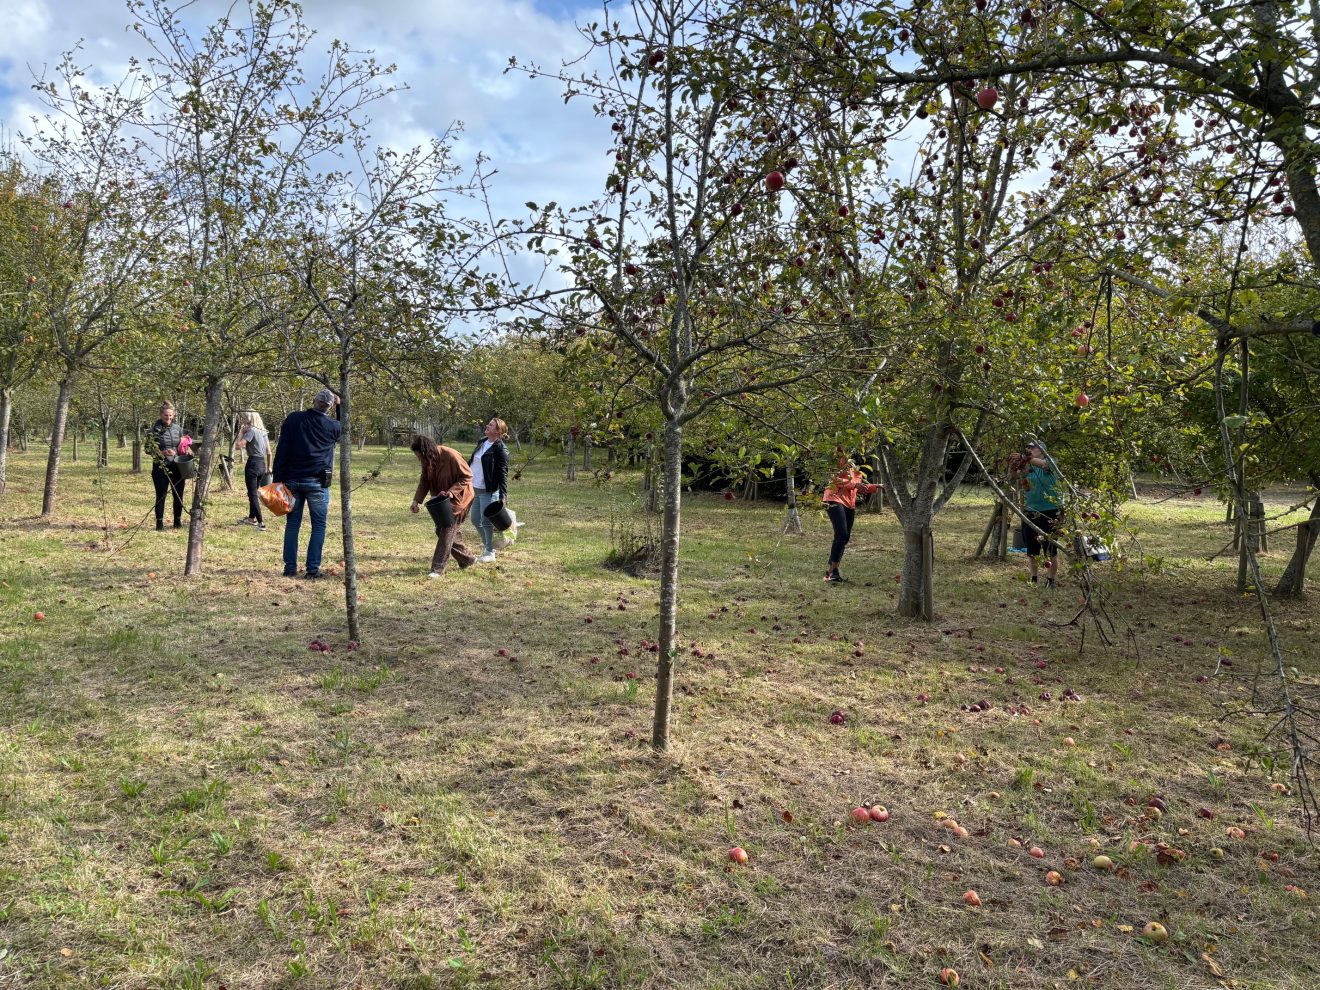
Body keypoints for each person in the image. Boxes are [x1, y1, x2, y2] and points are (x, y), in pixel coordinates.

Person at [271, 388, 341, 579]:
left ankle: (290, 568)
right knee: (319, 524)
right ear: (330, 406)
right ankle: (312, 570)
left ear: (314, 401)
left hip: (292, 479)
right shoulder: (332, 426)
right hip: (318, 482)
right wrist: (340, 407)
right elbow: (342, 430)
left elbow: (282, 448)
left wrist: (277, 478)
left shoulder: (294, 419)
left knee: (293, 524)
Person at [410, 434, 475, 577]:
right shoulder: (427, 459)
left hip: (460, 498)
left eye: (419, 455)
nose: (418, 458)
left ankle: (437, 569)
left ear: (427, 451)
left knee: (447, 529)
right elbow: (425, 480)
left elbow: (467, 476)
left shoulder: (451, 455)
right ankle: (468, 559)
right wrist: (416, 500)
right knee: (442, 531)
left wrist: (452, 492)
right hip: (442, 500)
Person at [821, 452, 879, 583]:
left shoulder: (857, 471)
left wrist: (878, 487)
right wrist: (854, 485)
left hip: (849, 503)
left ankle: (831, 571)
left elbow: (861, 487)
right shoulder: (841, 462)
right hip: (834, 498)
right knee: (841, 533)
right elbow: (835, 480)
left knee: (845, 537)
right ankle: (834, 571)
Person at [1015, 438, 1064, 588]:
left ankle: (1050, 580)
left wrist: (1026, 459)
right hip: (1031, 511)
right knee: (1032, 548)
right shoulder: (1027, 466)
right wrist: (1019, 469)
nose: (1029, 450)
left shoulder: (1051, 462)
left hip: (1051, 512)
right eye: (1028, 448)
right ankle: (1034, 578)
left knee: (1050, 548)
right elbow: (1026, 487)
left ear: (1042, 450)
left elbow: (1045, 465)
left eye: (1033, 448)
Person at [468, 417, 510, 563]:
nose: (487, 425)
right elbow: (473, 462)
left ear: (497, 432)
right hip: (475, 487)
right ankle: (488, 545)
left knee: (485, 521)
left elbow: (503, 473)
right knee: (475, 520)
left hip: (489, 490)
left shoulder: (501, 449)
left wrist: (503, 495)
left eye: (491, 425)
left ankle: (490, 551)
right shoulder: (482, 442)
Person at [145, 400, 186, 531]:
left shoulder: (178, 429)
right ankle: (159, 524)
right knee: (161, 494)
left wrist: (186, 449)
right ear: (160, 415)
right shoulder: (152, 431)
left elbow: (181, 446)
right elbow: (148, 449)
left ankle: (177, 522)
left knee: (178, 494)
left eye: (170, 415)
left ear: (173, 415)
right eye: (165, 415)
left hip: (177, 466)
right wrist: (162, 452)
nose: (168, 418)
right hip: (160, 466)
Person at [233, 410, 272, 531]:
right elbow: (269, 452)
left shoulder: (251, 431)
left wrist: (241, 433)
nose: (243, 420)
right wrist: (269, 467)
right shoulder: (263, 432)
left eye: (244, 418)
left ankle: (261, 523)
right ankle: (251, 518)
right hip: (262, 464)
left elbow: (238, 446)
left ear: (250, 419)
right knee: (254, 491)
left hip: (253, 464)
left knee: (252, 494)